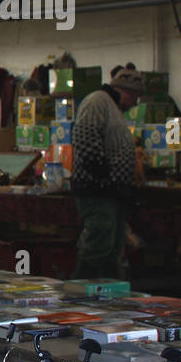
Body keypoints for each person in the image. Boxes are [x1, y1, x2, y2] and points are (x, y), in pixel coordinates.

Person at [72, 68, 144, 278]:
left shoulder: (113, 108)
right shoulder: (97, 101)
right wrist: (102, 175)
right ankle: (83, 291)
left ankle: (107, 296)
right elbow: (85, 136)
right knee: (99, 241)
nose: (135, 103)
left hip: (111, 192)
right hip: (97, 190)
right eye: (135, 97)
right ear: (127, 92)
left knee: (112, 246)